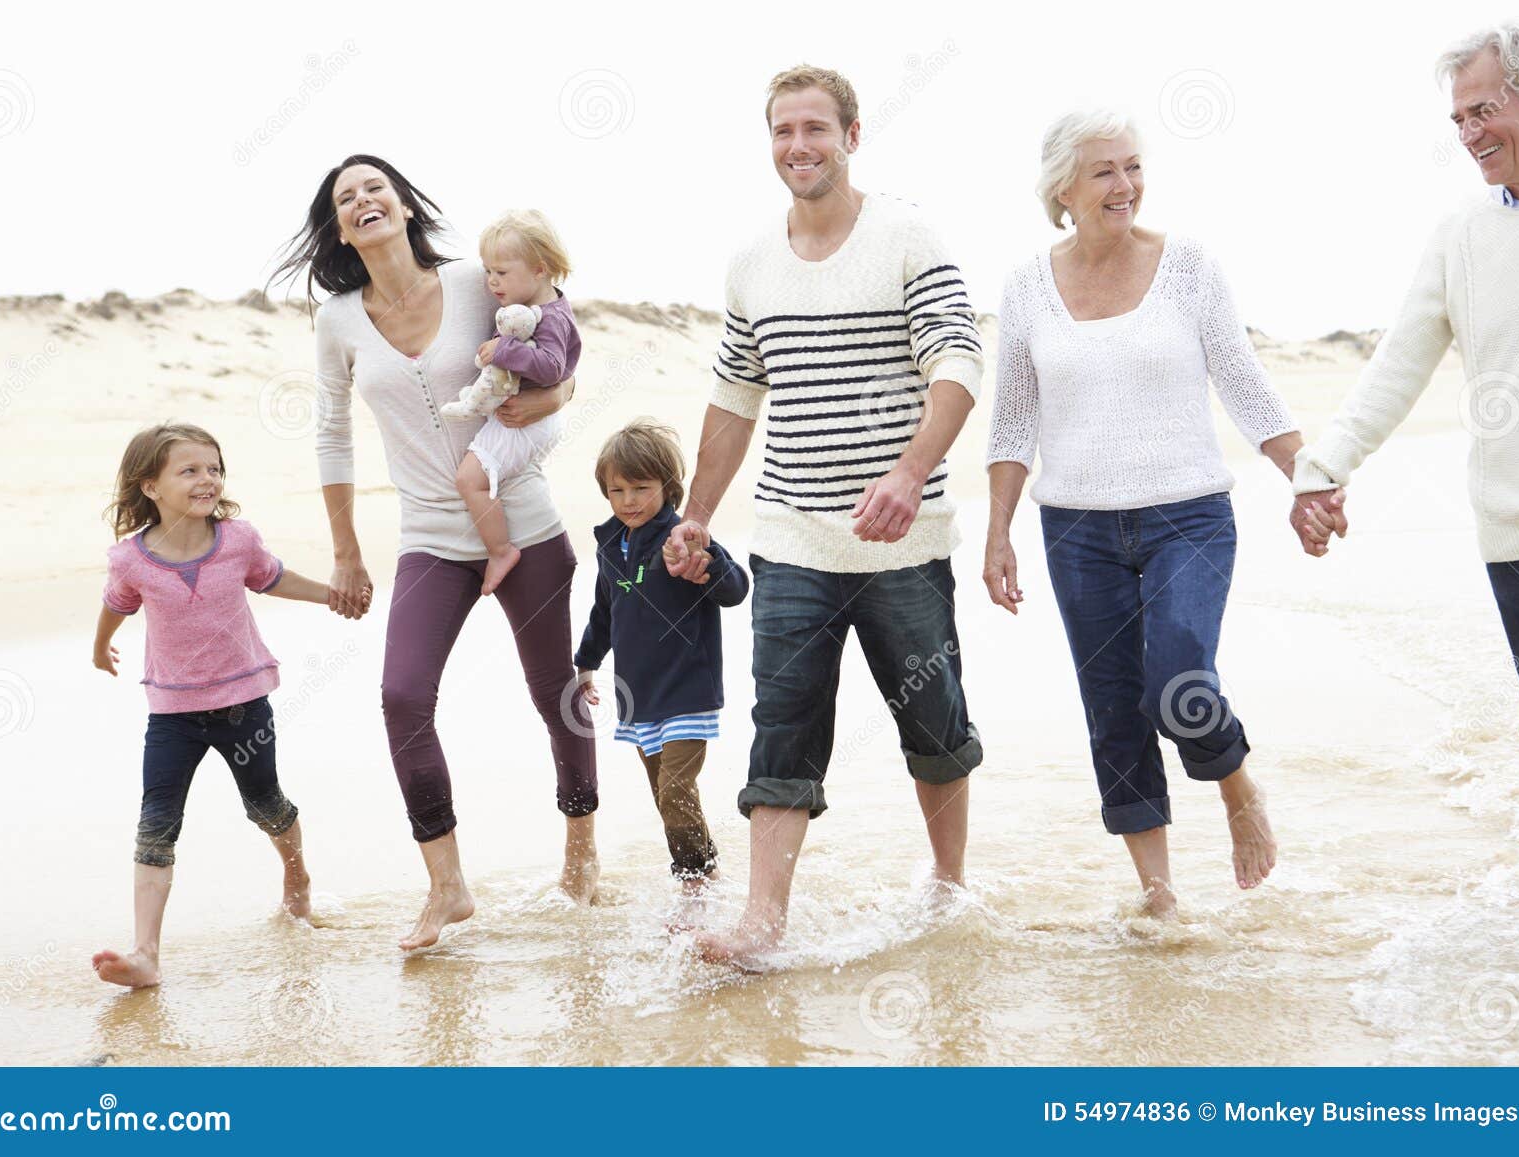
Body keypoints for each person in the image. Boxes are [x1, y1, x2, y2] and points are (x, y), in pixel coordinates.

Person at [665, 66, 985, 965]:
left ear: (851, 134)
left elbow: (958, 365)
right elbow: (735, 397)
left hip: (904, 545)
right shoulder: (752, 261)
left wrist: (910, 470)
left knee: (935, 726)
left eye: (815, 128)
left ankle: (949, 884)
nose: (797, 146)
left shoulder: (909, 240)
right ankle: (764, 921)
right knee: (784, 720)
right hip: (792, 541)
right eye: (781, 131)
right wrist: (695, 515)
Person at [269, 154, 600, 951]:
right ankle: (448, 885)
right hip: (428, 538)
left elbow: (557, 354)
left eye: (374, 187)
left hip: (523, 522)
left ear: (404, 205)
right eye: (345, 197)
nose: (362, 200)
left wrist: (555, 398)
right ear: (339, 225)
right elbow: (331, 433)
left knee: (556, 690)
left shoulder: (472, 283)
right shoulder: (337, 318)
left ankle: (582, 852)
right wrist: (346, 552)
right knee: (402, 694)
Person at [985, 111, 1301, 917]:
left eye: (1132, 167)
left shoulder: (1188, 266)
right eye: (1104, 172)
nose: (1124, 186)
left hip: (1187, 516)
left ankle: (1235, 787)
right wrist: (998, 533)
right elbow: (1014, 421)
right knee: (1114, 710)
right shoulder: (1026, 286)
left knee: (1177, 682)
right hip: (1077, 529)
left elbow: (1244, 381)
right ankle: (1159, 895)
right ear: (1063, 187)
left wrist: (1312, 479)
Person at [1291, 23, 1519, 798]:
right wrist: (1322, 467)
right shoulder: (1459, 237)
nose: (1470, 133)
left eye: (1483, 111)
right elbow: (1397, 365)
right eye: (1459, 119)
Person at [90, 423, 330, 987]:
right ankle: (145, 953)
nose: (207, 480)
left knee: (265, 804)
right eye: (190, 470)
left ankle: (297, 879)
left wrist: (331, 594)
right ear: (150, 486)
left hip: (244, 704)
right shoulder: (132, 560)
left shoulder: (238, 539)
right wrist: (100, 647)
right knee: (156, 824)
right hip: (171, 713)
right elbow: (114, 605)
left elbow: (273, 579)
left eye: (214, 468)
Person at [574, 421, 748, 908]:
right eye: (617, 490)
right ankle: (707, 874)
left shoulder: (681, 536)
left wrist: (706, 561)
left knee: (676, 787)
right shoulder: (611, 546)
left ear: (668, 487)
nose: (629, 500)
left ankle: (693, 885)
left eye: (641, 488)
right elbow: (604, 612)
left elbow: (736, 589)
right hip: (640, 695)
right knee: (665, 794)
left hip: (688, 688)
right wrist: (586, 662)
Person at [447, 209, 581, 596]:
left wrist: (503, 350)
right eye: (488, 271)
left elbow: (553, 367)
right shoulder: (532, 307)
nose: (491, 282)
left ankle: (501, 550)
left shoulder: (552, 317)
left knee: (468, 481)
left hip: (529, 419)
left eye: (501, 273)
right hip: (523, 415)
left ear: (539, 270)